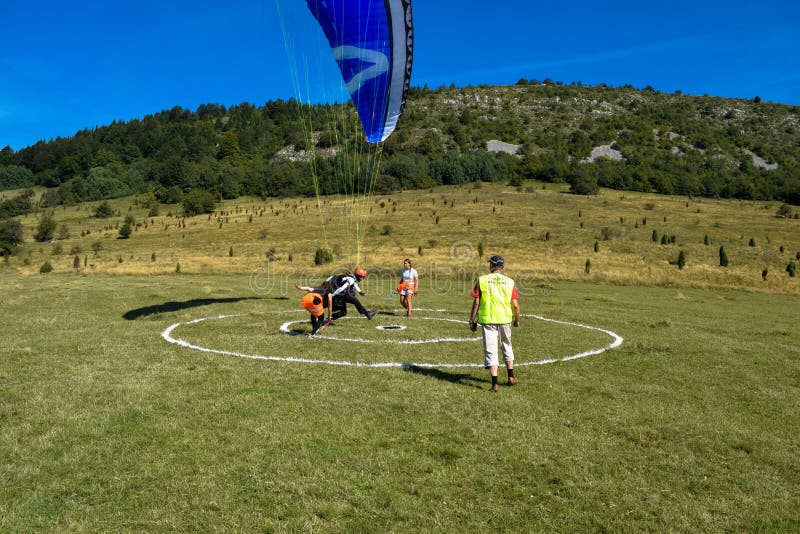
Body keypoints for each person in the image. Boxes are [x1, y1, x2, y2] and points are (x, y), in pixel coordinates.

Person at [468, 255, 520, 392]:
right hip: (505, 320)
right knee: (506, 345)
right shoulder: (510, 282)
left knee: (491, 349)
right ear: (502, 266)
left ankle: (495, 384)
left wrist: (472, 319)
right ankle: (511, 376)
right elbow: (515, 305)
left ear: (492, 265)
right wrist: (517, 319)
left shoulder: (482, 280)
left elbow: (477, 302)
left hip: (488, 320)